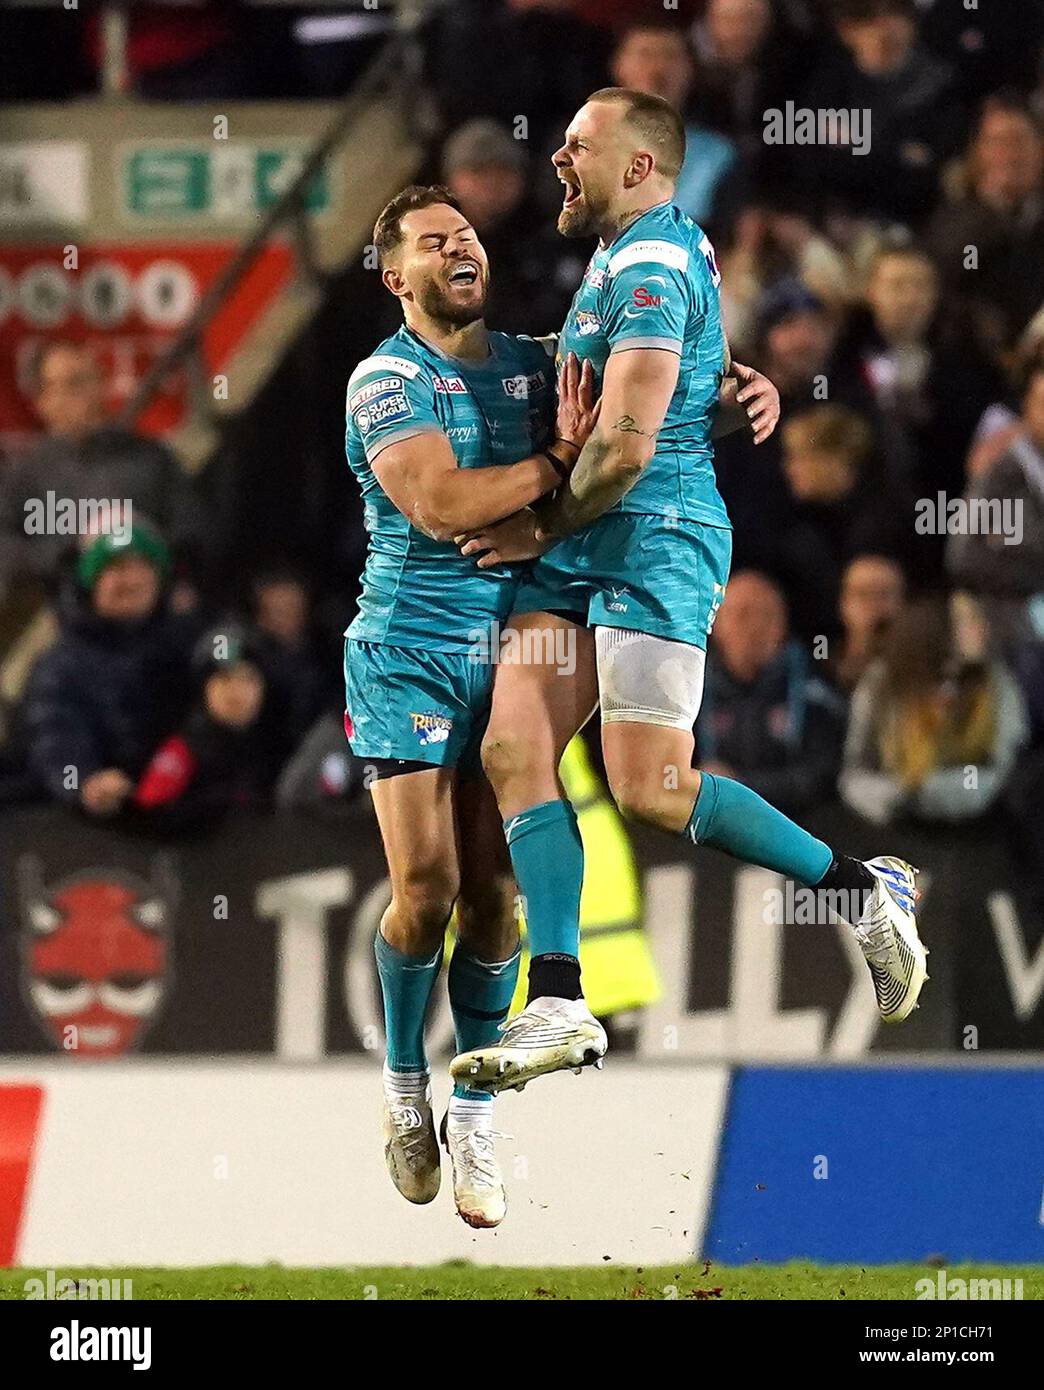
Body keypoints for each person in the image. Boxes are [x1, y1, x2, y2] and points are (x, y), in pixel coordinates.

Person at [449, 87, 928, 1099]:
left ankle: (862, 890)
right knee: (512, 743)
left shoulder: (655, 263)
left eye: (579, 146)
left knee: (651, 790)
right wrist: (725, 386)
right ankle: (562, 994)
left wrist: (535, 522)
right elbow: (646, 391)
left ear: (636, 168)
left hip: (647, 545)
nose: (558, 162)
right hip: (586, 542)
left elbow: (623, 450)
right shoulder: (634, 254)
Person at [342, 184, 599, 1227]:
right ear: (396, 274)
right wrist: (557, 464)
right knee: (431, 887)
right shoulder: (387, 379)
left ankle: (476, 1115)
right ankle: (405, 1087)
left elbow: (645, 396)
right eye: (433, 240)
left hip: (515, 649)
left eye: (470, 235)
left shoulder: (539, 366)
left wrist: (742, 383)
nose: (462, 248)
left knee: (497, 898)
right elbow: (441, 504)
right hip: (407, 651)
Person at [840, 595, 1028, 825]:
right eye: (968, 620)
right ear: (937, 629)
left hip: (977, 826)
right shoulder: (883, 684)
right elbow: (855, 771)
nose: (982, 628)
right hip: (890, 824)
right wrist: (896, 797)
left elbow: (1000, 768)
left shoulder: (995, 684)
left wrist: (932, 791)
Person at [697, 571, 847, 818]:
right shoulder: (692, 691)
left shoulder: (814, 692)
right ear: (717, 625)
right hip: (710, 829)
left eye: (766, 615)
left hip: (801, 826)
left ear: (783, 625)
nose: (754, 627)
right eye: (742, 614)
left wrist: (739, 787)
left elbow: (822, 779)